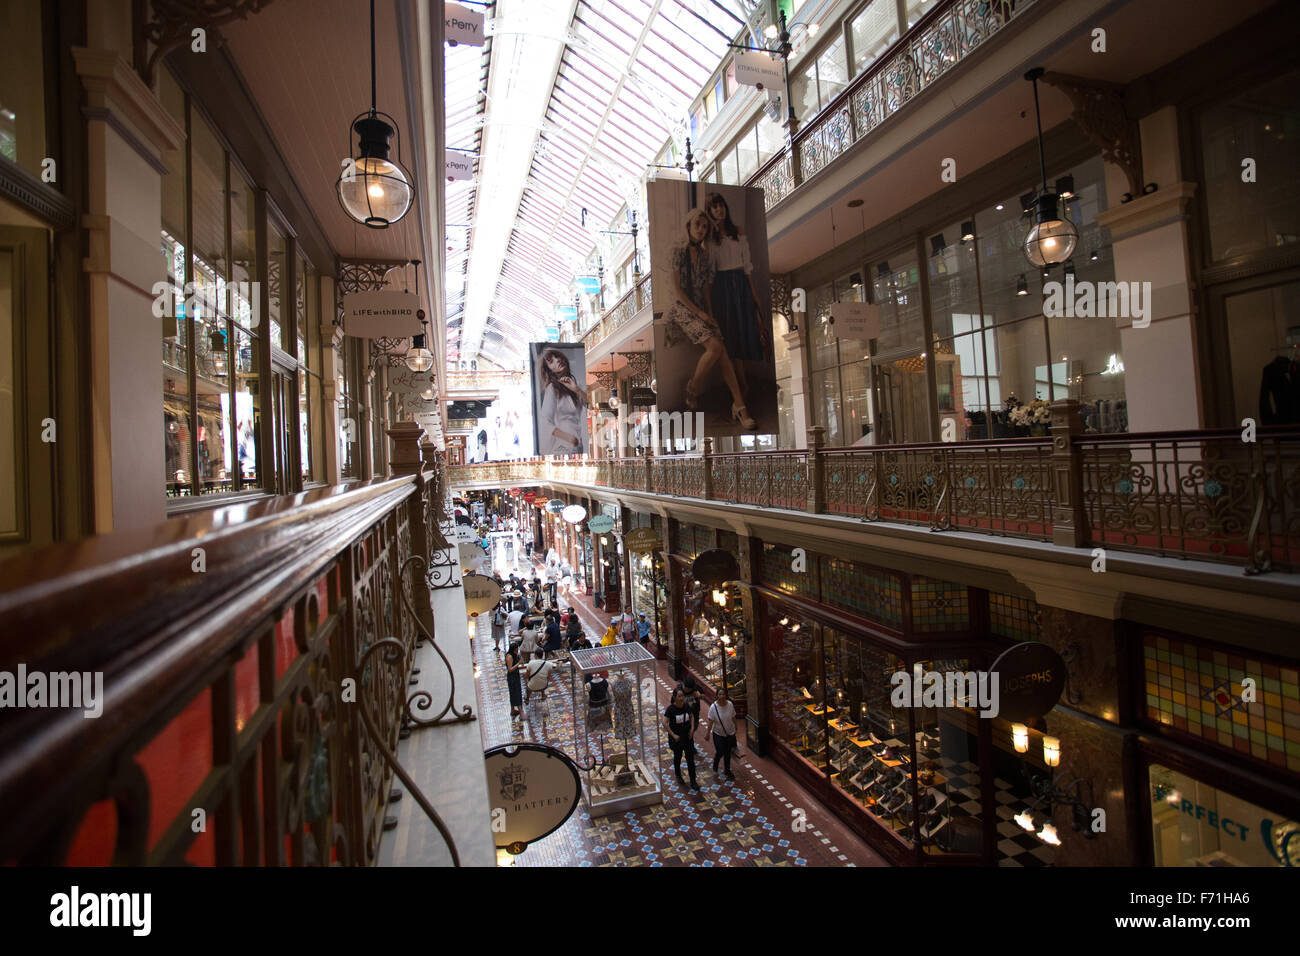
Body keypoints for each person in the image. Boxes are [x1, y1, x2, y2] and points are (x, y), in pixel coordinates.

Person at [663, 207, 755, 430]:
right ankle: (693, 387)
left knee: (721, 350)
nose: (701, 230)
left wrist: (710, 314)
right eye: (698, 225)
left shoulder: (704, 256)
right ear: (688, 226)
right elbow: (677, 290)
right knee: (715, 346)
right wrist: (700, 313)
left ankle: (740, 408)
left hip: (701, 308)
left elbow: (705, 288)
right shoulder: (677, 251)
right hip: (681, 308)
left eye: (704, 226)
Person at [705, 191, 769, 395]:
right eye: (714, 207)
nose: (718, 209)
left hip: (740, 284)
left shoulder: (738, 232)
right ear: (710, 211)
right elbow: (711, 271)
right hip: (722, 288)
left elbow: (747, 265)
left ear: (725, 207)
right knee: (730, 335)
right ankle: (741, 385)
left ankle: (744, 383)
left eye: (720, 205)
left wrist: (753, 293)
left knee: (743, 332)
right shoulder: (710, 240)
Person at [537, 348, 585, 455]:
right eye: (551, 361)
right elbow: (545, 421)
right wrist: (570, 438)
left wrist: (576, 389)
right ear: (549, 369)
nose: (557, 360)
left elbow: (589, 404)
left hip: (578, 444)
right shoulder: (552, 388)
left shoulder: (575, 385)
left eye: (557, 356)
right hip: (562, 445)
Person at [665, 687, 699, 791]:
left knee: (690, 760)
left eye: (682, 696)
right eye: (679, 696)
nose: (681, 698)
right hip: (677, 739)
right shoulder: (671, 710)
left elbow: (692, 716)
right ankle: (678, 774)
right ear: (674, 697)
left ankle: (693, 781)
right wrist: (673, 735)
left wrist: (692, 729)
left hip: (687, 737)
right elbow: (664, 723)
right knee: (678, 756)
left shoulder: (686, 706)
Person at [706, 686, 739, 779]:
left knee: (727, 752)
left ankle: (727, 770)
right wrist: (707, 733)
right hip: (718, 734)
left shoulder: (730, 705)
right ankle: (716, 762)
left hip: (729, 733)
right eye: (720, 694)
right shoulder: (713, 707)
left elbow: (733, 716)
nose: (722, 696)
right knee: (720, 751)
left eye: (723, 694)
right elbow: (710, 721)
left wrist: (736, 726)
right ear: (717, 696)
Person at [523, 650, 556, 735]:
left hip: (532, 686)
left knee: (528, 686)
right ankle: (543, 694)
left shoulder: (531, 663)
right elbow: (549, 677)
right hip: (543, 685)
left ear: (535, 655)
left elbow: (526, 676)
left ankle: (527, 698)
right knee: (542, 680)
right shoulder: (548, 664)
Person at [503, 640, 524, 721]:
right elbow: (510, 669)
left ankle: (513, 710)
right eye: (516, 649)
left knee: (515, 692)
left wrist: (519, 658)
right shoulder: (509, 657)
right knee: (515, 693)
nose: (517, 651)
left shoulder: (515, 655)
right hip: (512, 677)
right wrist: (518, 663)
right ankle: (520, 711)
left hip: (516, 675)